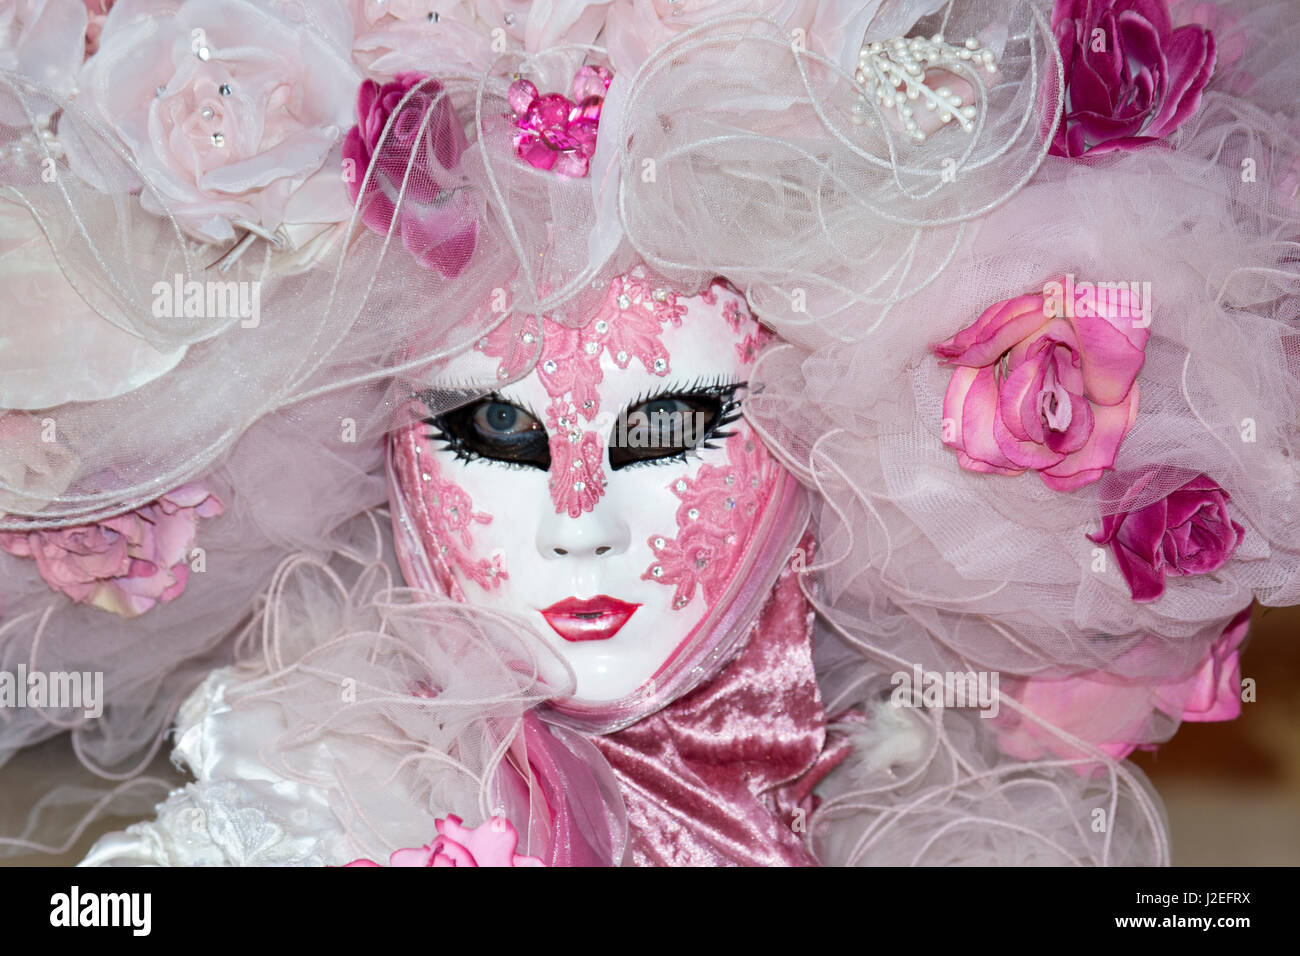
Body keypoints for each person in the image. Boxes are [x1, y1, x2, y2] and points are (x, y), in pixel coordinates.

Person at [1, 0, 1297, 866]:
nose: (581, 525)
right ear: (376, 444)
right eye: (492, 430)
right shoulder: (285, 816)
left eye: (671, 427)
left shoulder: (931, 809)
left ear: (820, 424)